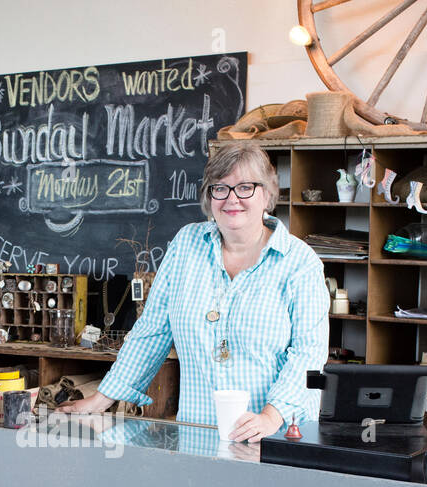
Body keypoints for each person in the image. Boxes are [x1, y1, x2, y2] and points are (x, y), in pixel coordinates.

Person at [59, 141, 329, 441]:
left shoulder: (300, 263)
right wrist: (101, 399)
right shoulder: (186, 246)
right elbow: (152, 332)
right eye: (220, 188)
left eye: (245, 187)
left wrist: (270, 416)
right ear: (209, 195)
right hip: (199, 433)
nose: (231, 199)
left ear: (267, 194)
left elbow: (308, 354)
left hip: (277, 436)